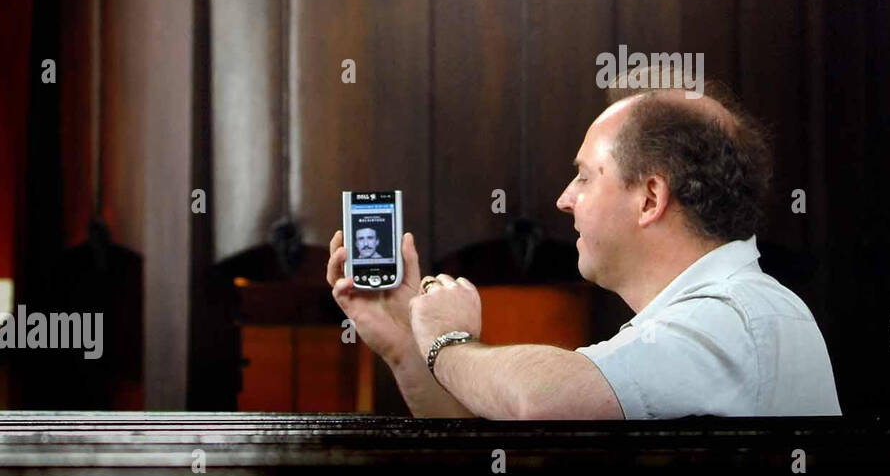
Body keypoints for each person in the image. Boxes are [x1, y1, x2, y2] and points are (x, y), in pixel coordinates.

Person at [326, 75, 841, 419]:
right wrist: (407, 349)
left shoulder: (734, 319)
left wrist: (448, 340)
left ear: (650, 198)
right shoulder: (708, 317)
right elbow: (493, 441)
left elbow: (535, 401)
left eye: (585, 177)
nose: (564, 199)